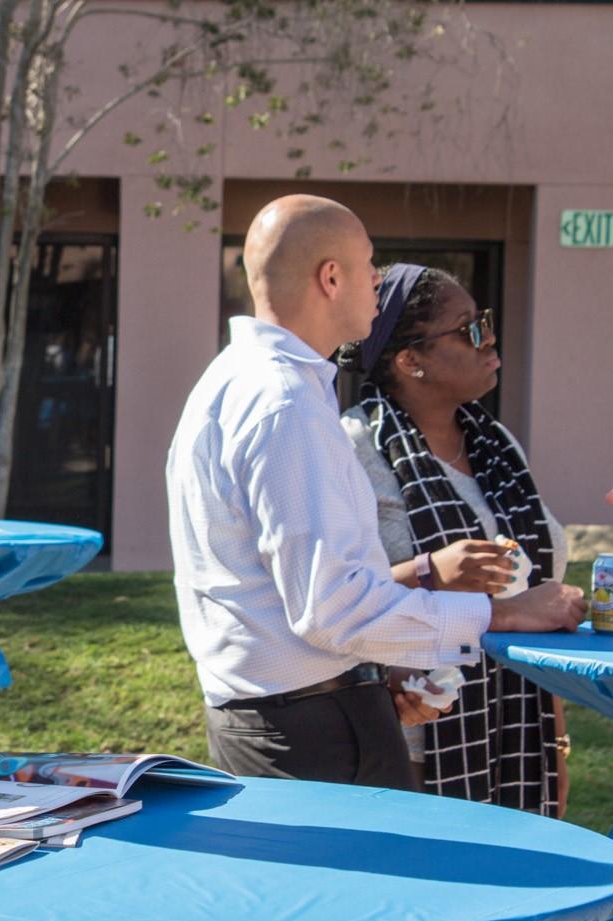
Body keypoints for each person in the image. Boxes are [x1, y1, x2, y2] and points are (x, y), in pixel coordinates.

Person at [166, 195, 586, 793]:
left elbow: (303, 598)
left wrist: (370, 669)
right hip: (308, 729)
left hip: (304, 712)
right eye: (368, 263)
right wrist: (504, 613)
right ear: (331, 278)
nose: (375, 279)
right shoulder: (284, 403)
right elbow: (332, 608)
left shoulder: (247, 381)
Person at [339, 265, 569, 840]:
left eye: (484, 321)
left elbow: (537, 605)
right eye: (468, 327)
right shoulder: (353, 451)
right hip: (416, 740)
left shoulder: (498, 447)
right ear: (410, 360)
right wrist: (431, 574)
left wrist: (557, 743)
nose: (489, 338)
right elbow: (331, 596)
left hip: (518, 733)